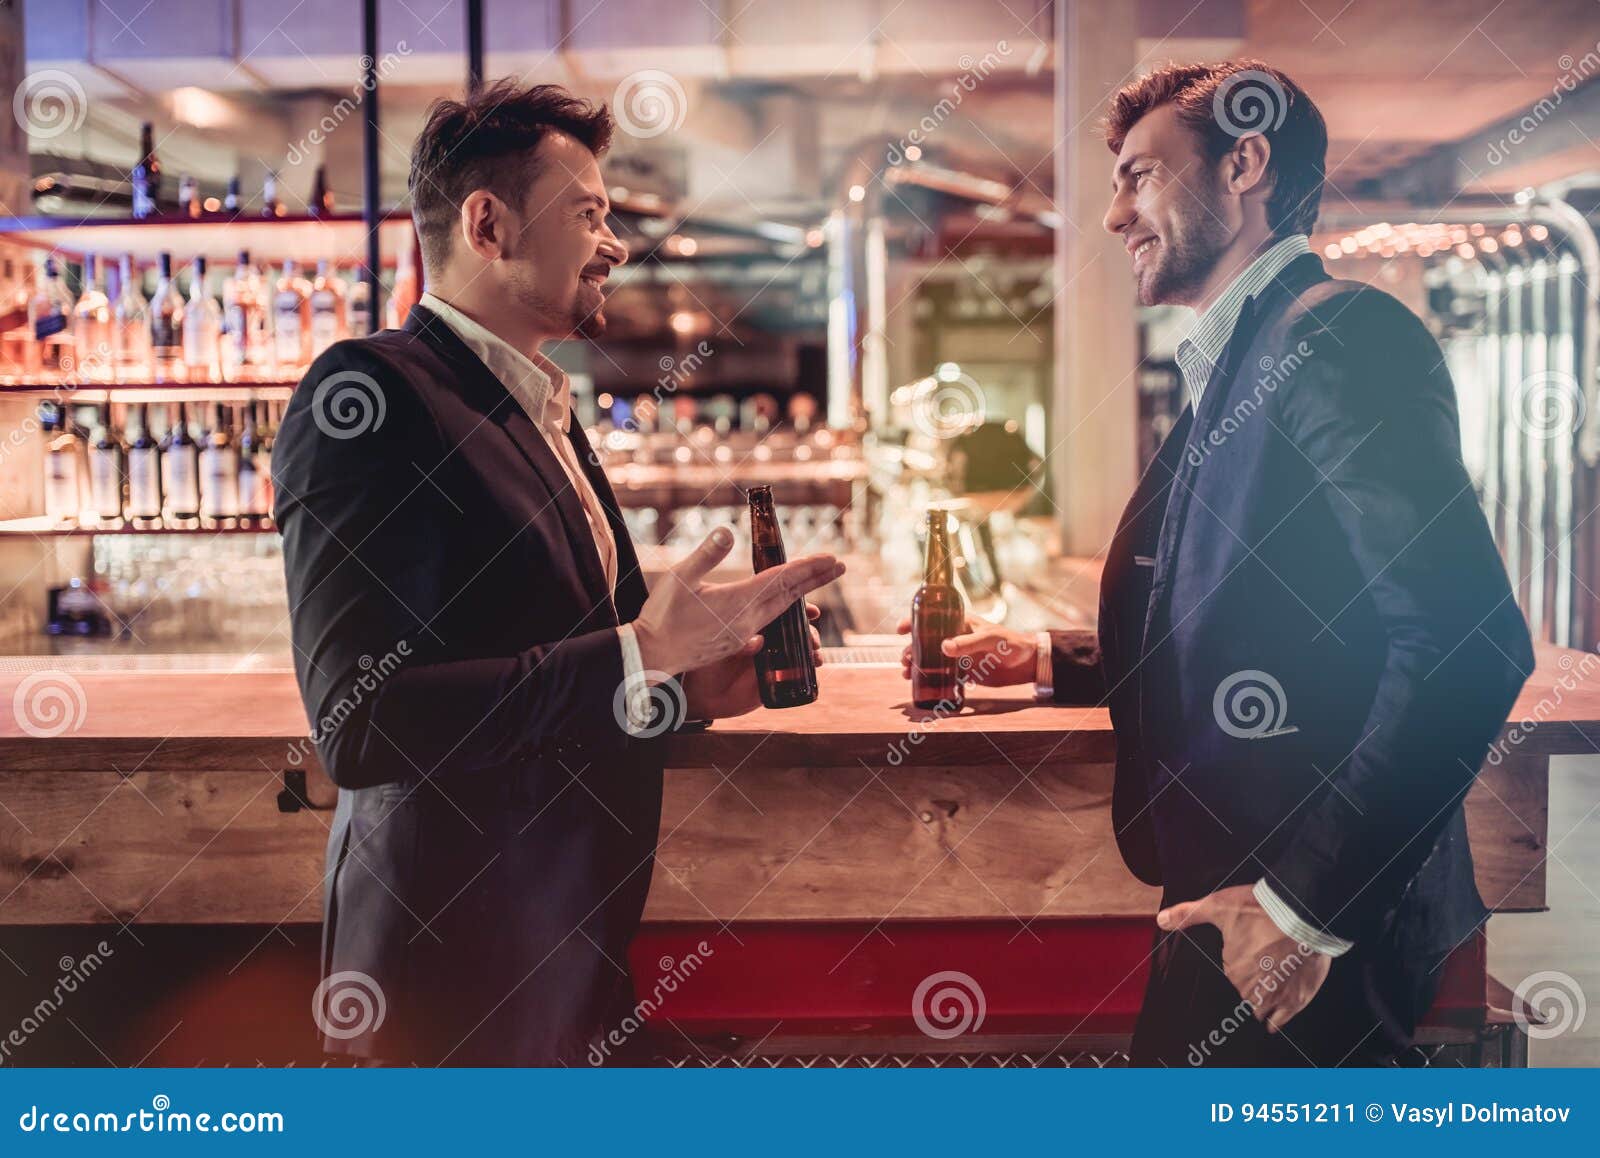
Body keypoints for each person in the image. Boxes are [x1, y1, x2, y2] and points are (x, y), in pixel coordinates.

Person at [902, 60, 1532, 1066]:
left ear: (1244, 164)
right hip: (1239, 900)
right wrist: (1059, 659)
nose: (1114, 216)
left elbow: (1465, 640)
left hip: (1305, 919)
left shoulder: (1334, 334)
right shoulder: (1242, 355)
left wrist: (1303, 913)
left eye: (1140, 175)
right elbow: (1259, 611)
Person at [274, 80, 842, 1065]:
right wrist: (641, 653)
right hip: (443, 986)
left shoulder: (544, 408)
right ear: (488, 225)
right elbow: (363, 724)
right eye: (588, 215)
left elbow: (568, 674)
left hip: (567, 956)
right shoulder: (368, 392)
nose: (613, 243)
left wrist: (686, 684)